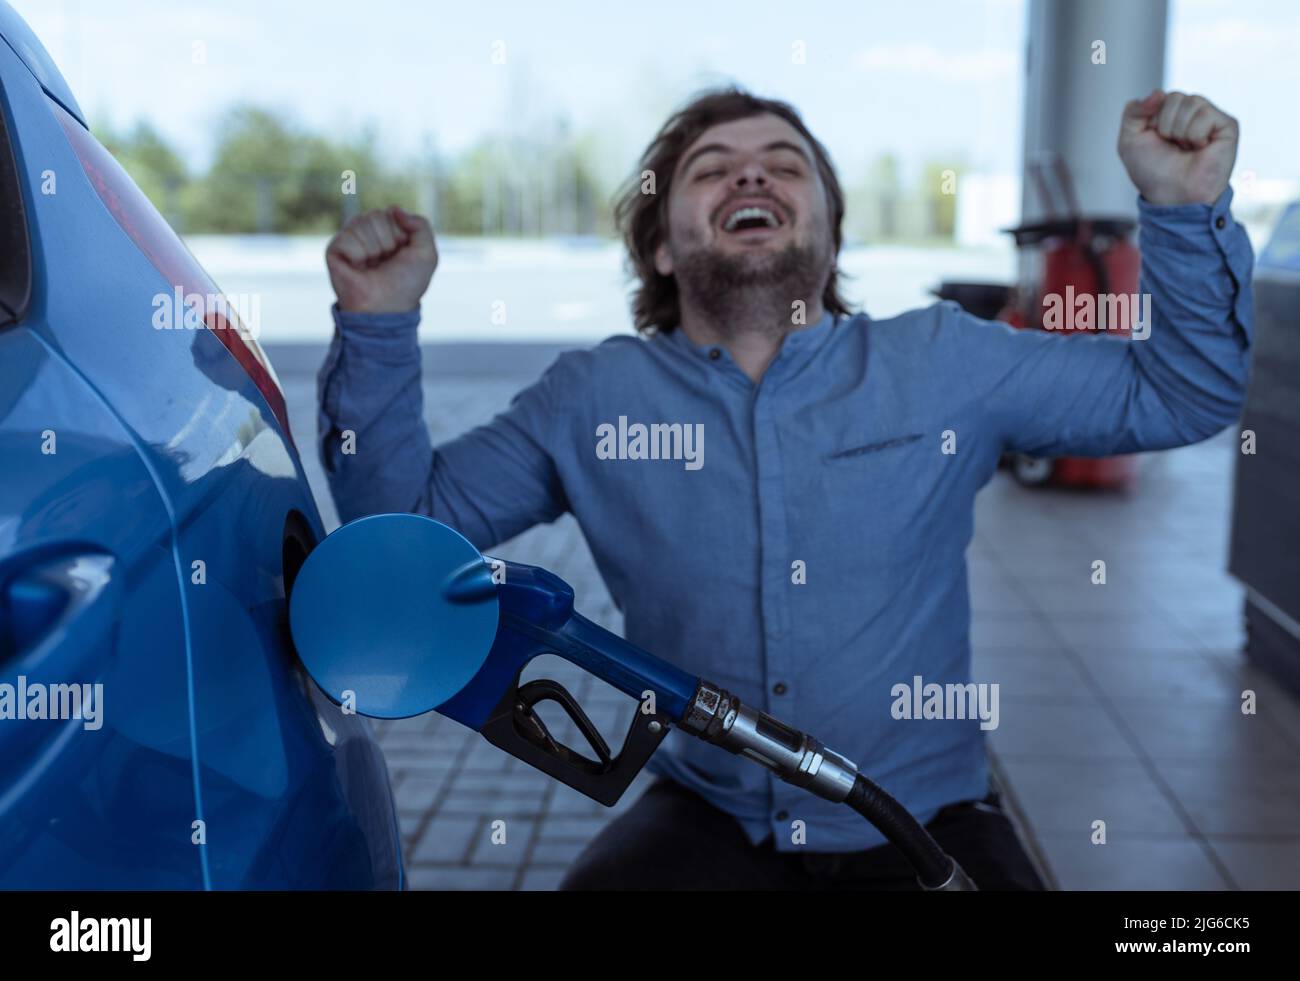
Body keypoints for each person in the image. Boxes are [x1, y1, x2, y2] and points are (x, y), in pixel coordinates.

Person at [317, 87, 1252, 890]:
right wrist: (378, 324)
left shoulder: (946, 362)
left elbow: (1182, 392)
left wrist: (1182, 208)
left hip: (922, 813)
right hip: (710, 811)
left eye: (784, 165)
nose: (751, 177)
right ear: (663, 249)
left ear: (830, 232)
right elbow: (404, 535)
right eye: (713, 169)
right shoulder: (592, 398)